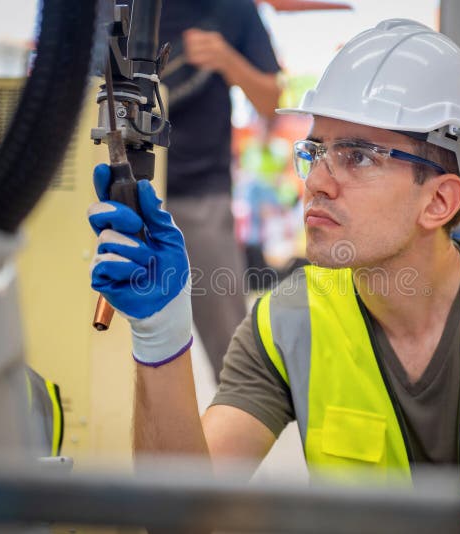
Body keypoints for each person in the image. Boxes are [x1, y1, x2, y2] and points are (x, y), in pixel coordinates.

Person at [88, 20, 460, 531]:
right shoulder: (286, 321)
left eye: (358, 155)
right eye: (316, 150)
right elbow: (186, 515)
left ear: (438, 201)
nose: (316, 182)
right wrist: (160, 337)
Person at [157, 0, 282, 380]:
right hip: (110, 188)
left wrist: (228, 60)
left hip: (199, 195)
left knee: (233, 352)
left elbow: (272, 102)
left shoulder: (234, 9)